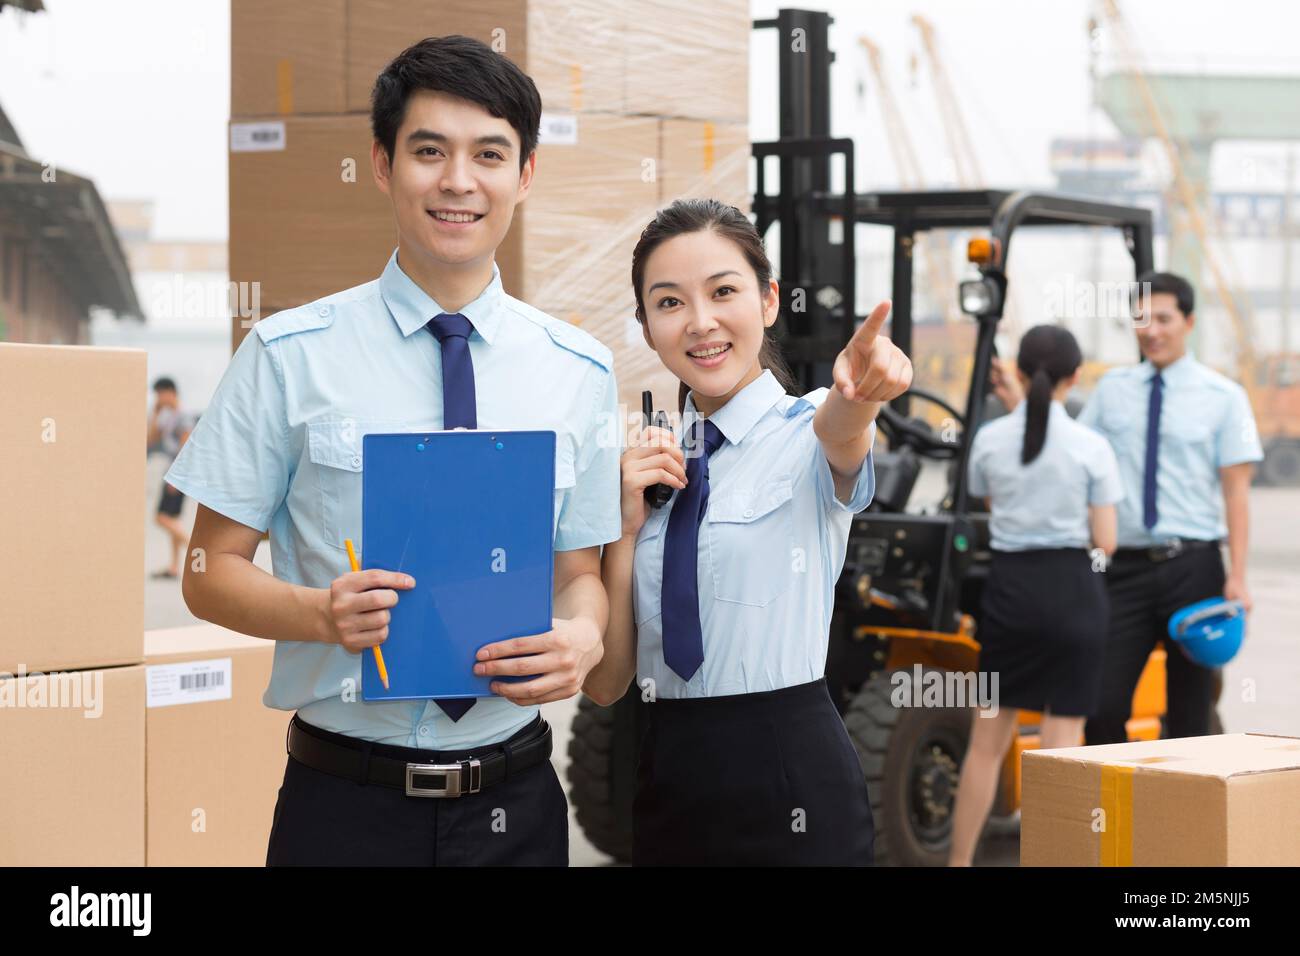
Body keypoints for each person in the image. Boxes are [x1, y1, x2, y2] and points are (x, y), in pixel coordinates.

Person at [165, 35, 620, 866]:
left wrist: (583, 639)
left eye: (489, 154)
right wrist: (319, 614)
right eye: (428, 151)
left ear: (523, 175)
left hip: (515, 809)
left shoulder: (578, 372)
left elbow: (580, 574)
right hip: (344, 809)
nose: (457, 181)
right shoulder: (286, 354)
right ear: (382, 165)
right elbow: (206, 571)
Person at [564, 198, 911, 865]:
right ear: (645, 324)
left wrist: (859, 394)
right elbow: (607, 685)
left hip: (790, 777)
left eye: (724, 291)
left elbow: (841, 430)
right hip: (667, 778)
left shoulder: (806, 432)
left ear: (770, 300)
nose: (701, 323)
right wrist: (626, 527)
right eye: (669, 303)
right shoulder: (646, 464)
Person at [947, 325, 1122, 867]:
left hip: (1010, 594)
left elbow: (987, 493)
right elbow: (1107, 542)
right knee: (1061, 746)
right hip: (1073, 592)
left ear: (1019, 373)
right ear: (1075, 376)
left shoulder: (990, 440)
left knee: (985, 745)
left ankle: (957, 863)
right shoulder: (1091, 446)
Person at [1077, 272, 1261, 744]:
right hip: (1125, 569)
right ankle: (1118, 815)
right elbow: (1077, 455)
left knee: (1189, 717)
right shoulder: (1112, 390)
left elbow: (1236, 493)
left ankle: (1182, 818)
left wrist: (1236, 574)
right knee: (1101, 706)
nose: (1152, 330)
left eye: (1164, 318)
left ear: (1189, 321)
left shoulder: (1225, 397)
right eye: (1142, 319)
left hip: (1195, 568)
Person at [147, 376, 192, 579]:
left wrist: (177, 477)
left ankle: (196, 550)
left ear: (169, 392)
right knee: (172, 518)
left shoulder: (183, 416)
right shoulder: (167, 416)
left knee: (161, 518)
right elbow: (150, 440)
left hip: (178, 473)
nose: (158, 398)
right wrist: (156, 413)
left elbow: (186, 447)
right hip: (172, 471)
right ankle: (174, 566)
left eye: (159, 393)